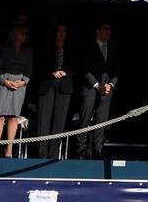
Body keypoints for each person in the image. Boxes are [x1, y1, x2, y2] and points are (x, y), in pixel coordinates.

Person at [73, 22, 117, 159]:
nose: (108, 31)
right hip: (90, 89)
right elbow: (85, 69)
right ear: (98, 31)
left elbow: (117, 71)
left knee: (101, 122)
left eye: (109, 29)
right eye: (105, 29)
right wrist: (97, 86)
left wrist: (110, 85)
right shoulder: (88, 46)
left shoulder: (113, 47)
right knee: (84, 120)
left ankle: (98, 149)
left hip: (106, 91)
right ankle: (81, 150)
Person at [0, 24, 33, 158]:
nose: (24, 36)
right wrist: (5, 81)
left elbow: (29, 70)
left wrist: (23, 81)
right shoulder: (4, 49)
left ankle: (9, 148)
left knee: (14, 117)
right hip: (4, 84)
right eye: (22, 33)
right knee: (0, 116)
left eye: (25, 34)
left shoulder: (28, 51)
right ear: (15, 34)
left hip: (19, 85)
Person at [32, 25, 73, 160]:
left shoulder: (72, 48)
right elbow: (38, 65)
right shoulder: (45, 47)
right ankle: (41, 154)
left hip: (64, 86)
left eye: (63, 31)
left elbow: (77, 65)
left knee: (59, 122)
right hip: (47, 84)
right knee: (43, 120)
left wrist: (65, 72)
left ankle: (53, 155)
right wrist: (51, 72)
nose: (61, 34)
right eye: (59, 31)